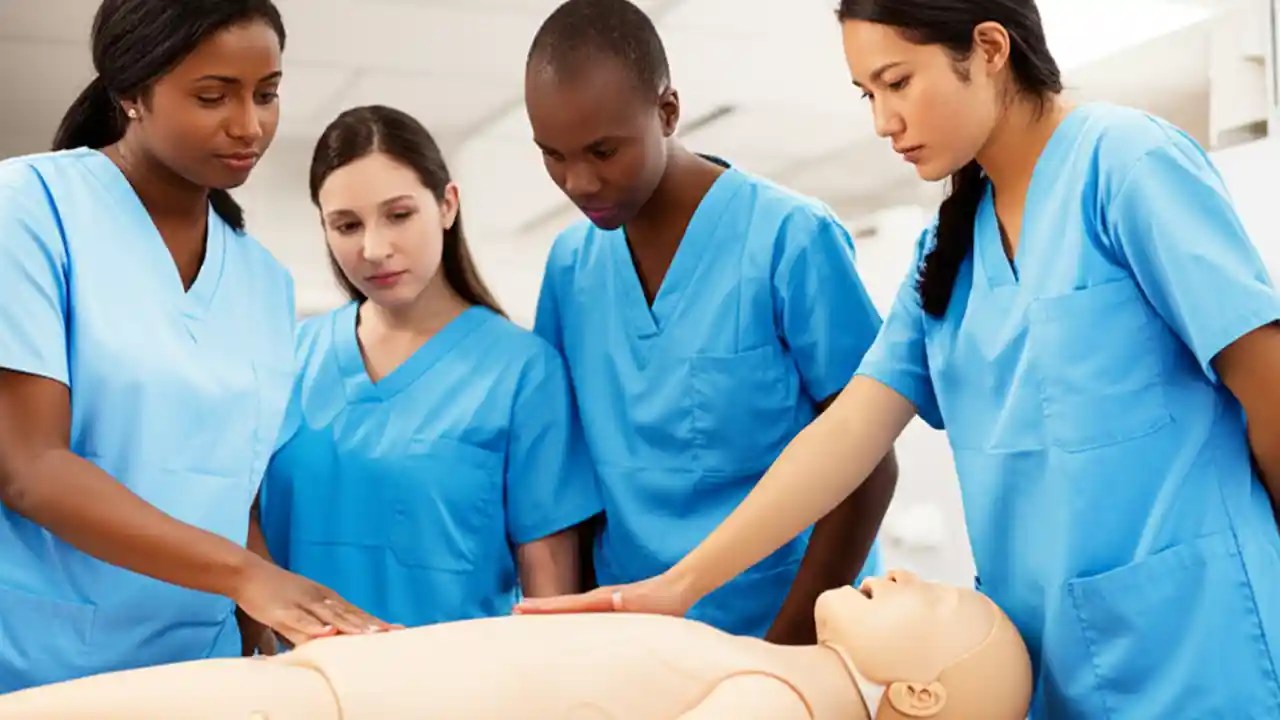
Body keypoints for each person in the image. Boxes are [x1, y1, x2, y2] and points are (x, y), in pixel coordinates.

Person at [517, 0, 1280, 716]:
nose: (885, 120)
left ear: (987, 49)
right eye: (865, 94)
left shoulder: (1123, 164)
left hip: (1199, 639)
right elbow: (848, 433)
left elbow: (1269, 384)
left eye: (897, 82)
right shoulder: (945, 249)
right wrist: (679, 587)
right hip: (1044, 658)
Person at [0, 0, 392, 694]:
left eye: (266, 94)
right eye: (213, 96)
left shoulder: (264, 282)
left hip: (202, 671)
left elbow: (230, 491)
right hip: (44, 664)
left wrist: (277, 634)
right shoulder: (30, 208)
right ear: (131, 93)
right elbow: (29, 467)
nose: (249, 125)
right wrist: (247, 577)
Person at [522, 0, 897, 645]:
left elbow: (867, 465)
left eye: (603, 151)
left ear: (668, 111)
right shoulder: (570, 267)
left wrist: (786, 656)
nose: (578, 181)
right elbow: (572, 476)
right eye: (552, 156)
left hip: (795, 625)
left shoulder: (789, 239)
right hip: (639, 636)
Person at [258, 105, 602, 629]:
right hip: (302, 691)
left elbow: (549, 607)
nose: (374, 249)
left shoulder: (523, 374)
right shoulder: (287, 361)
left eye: (399, 215)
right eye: (347, 225)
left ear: (446, 205)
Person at [0, 570, 1034, 720]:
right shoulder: (760, 668)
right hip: (339, 688)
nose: (908, 574)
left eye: (941, 603)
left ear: (922, 695)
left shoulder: (779, 703)